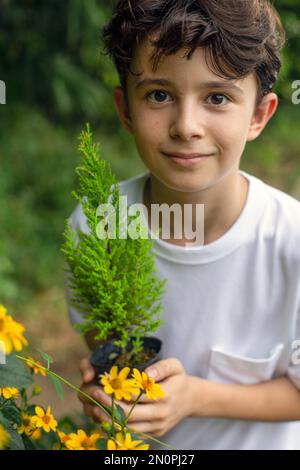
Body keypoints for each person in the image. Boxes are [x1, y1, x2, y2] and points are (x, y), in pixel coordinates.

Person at [66, 0, 300, 450]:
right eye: (159, 94)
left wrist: (195, 397)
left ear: (259, 114)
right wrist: (106, 392)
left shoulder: (289, 241)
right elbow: (106, 347)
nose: (186, 126)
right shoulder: (99, 227)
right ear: (126, 109)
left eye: (217, 97)